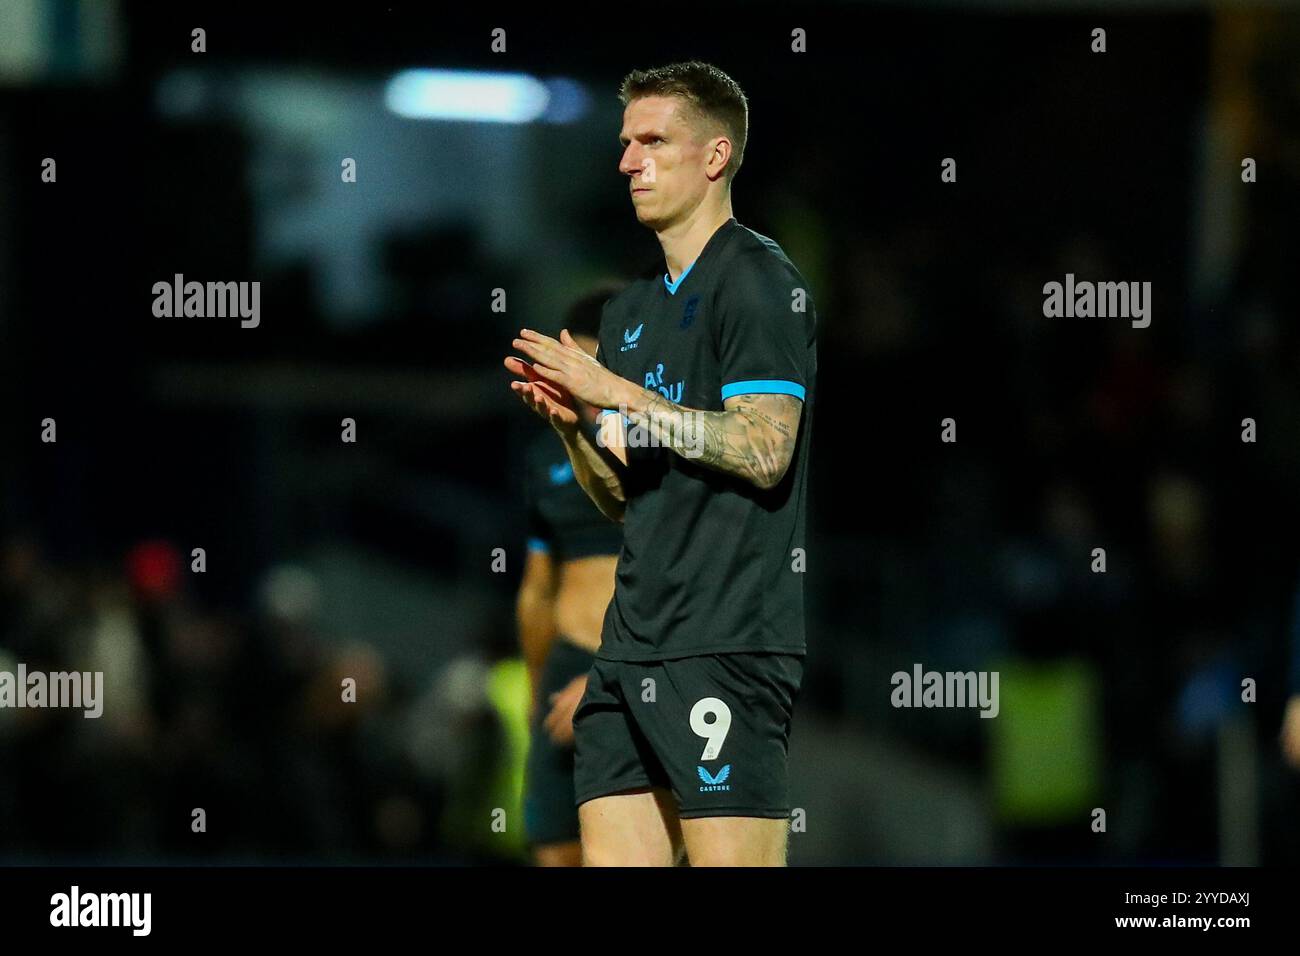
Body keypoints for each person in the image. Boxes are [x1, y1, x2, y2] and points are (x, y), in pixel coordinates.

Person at [505, 61, 817, 866]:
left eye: (652, 141)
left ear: (715, 156)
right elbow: (622, 500)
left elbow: (764, 449)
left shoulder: (756, 279)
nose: (627, 161)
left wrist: (613, 391)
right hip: (627, 652)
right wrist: (577, 427)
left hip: (724, 646)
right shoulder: (631, 309)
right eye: (623, 143)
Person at [516, 285, 625, 866]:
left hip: (636, 676)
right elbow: (537, 590)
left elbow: (676, 575)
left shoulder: (660, 446)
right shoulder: (545, 459)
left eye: (594, 369)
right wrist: (538, 695)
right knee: (556, 851)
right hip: (564, 675)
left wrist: (612, 678)